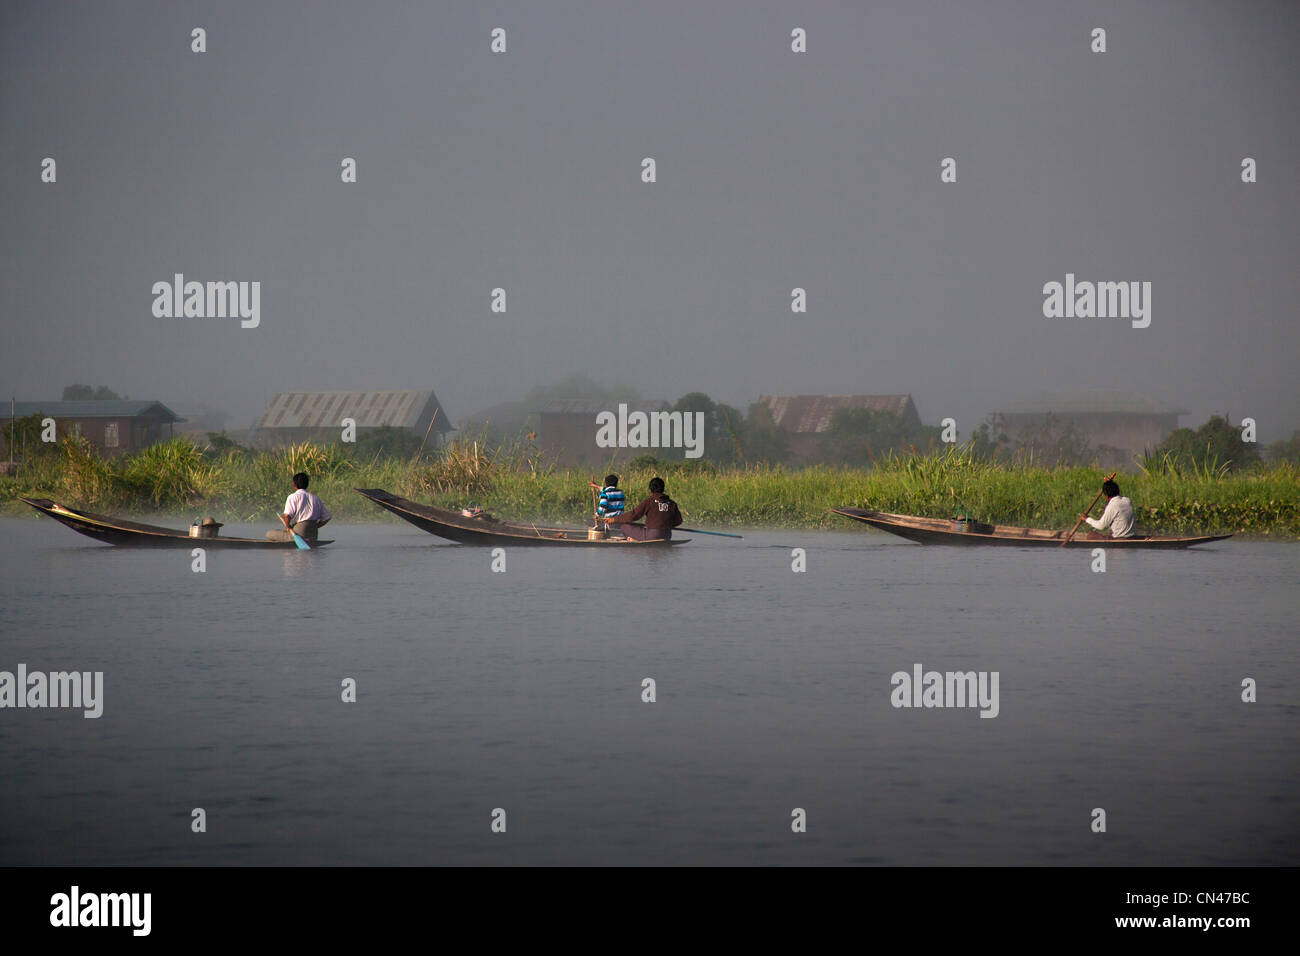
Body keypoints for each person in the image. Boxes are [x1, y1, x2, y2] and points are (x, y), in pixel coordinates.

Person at [604, 476, 682, 541]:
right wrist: (664, 524)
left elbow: (633, 515)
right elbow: (678, 521)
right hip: (667, 535)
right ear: (663, 489)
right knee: (641, 527)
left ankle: (634, 539)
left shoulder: (649, 501)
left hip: (652, 536)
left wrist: (614, 519)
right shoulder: (672, 503)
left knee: (624, 527)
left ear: (650, 490)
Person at [266, 472, 332, 542]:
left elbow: (287, 516)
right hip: (313, 536)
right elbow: (327, 517)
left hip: (299, 535)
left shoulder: (293, 497)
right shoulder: (315, 498)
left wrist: (288, 527)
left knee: (269, 534)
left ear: (294, 484)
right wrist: (315, 526)